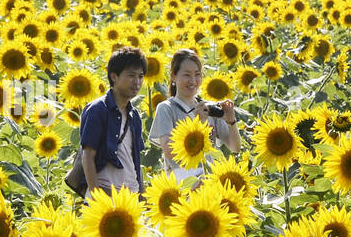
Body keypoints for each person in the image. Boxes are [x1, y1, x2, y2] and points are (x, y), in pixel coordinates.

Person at [149, 48, 240, 186]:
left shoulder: (208, 108)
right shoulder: (166, 109)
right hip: (184, 185)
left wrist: (231, 121)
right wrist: (198, 125)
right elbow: (170, 151)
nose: (193, 80)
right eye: (187, 75)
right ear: (173, 76)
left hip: (211, 182)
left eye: (197, 74)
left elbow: (235, 147)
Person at [80, 46, 146, 201]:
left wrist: (142, 196)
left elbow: (135, 160)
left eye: (140, 76)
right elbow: (88, 156)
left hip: (131, 198)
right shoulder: (98, 110)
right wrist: (97, 197)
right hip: (105, 196)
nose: (137, 82)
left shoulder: (134, 115)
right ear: (114, 76)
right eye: (131, 75)